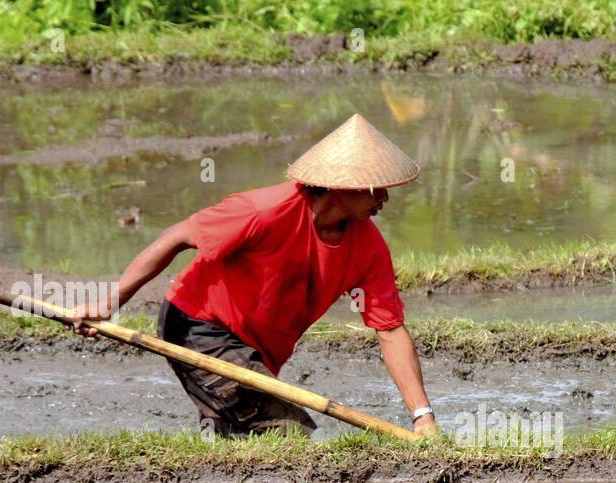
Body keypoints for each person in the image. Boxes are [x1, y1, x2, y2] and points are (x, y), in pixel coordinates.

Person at [70, 113, 437, 437]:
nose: (385, 199)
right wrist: (109, 302)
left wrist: (423, 417)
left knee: (242, 427)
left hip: (257, 348)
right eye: (376, 189)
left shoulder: (368, 248)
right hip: (199, 327)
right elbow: (178, 236)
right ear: (340, 185)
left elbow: (389, 329)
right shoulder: (264, 211)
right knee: (286, 432)